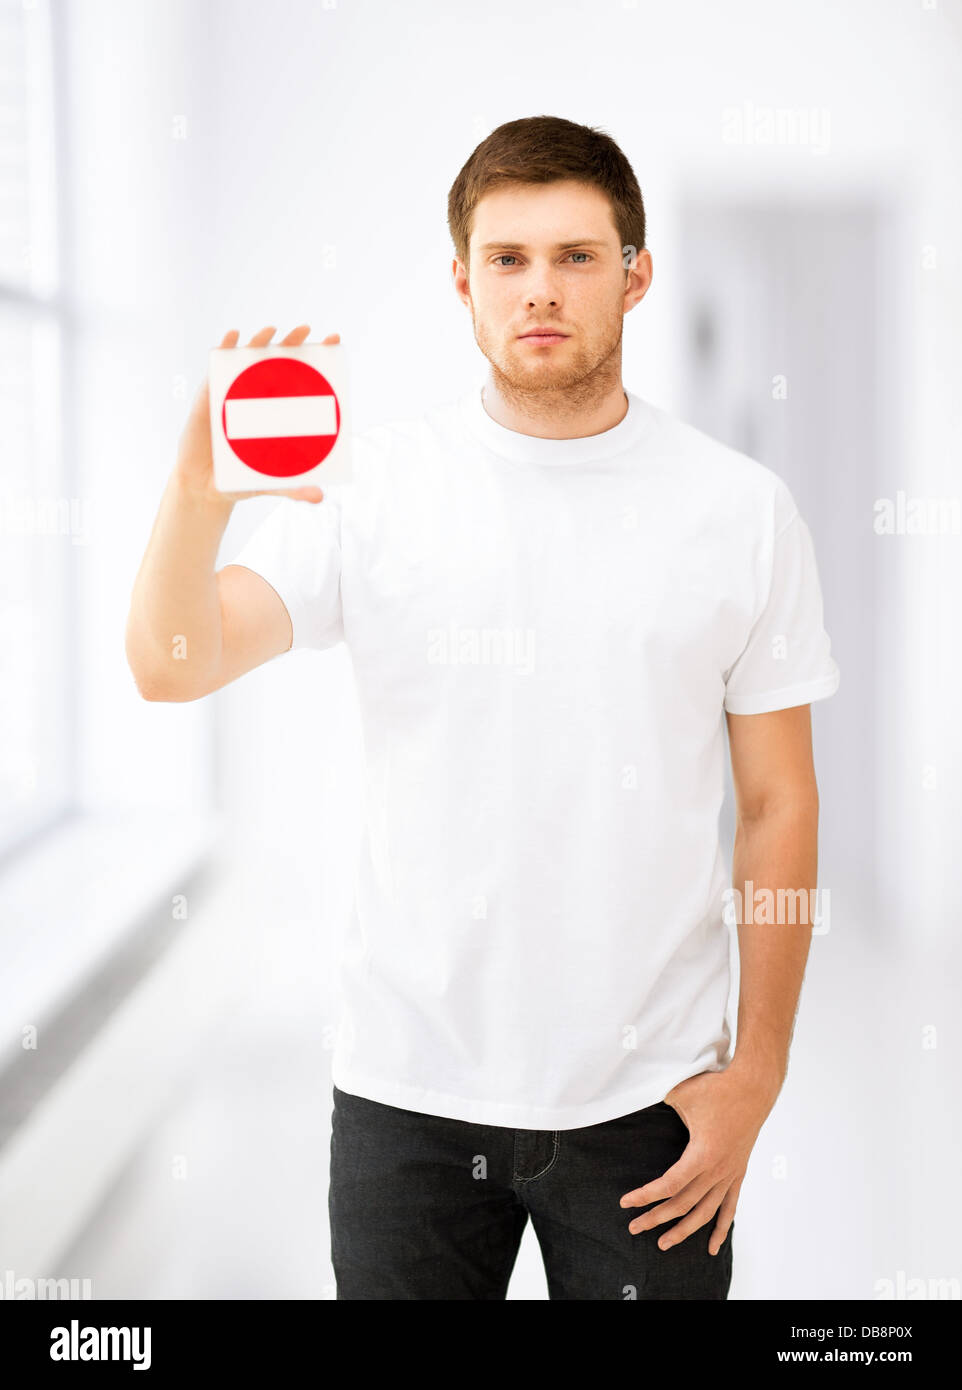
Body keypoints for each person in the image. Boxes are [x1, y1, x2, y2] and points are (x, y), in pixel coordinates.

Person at [125, 115, 840, 1301]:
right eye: (505, 259)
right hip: (405, 1103)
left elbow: (777, 803)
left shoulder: (739, 511)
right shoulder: (375, 491)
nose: (539, 289)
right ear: (461, 281)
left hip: (647, 1107)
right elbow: (171, 660)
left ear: (635, 273)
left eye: (574, 254)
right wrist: (198, 492)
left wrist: (754, 1068)